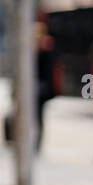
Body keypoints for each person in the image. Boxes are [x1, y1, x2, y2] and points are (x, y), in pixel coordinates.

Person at [35, 20, 57, 153]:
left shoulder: (46, 48)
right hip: (32, 89)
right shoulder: (31, 49)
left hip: (41, 90)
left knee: (38, 117)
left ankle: (37, 143)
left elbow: (48, 70)